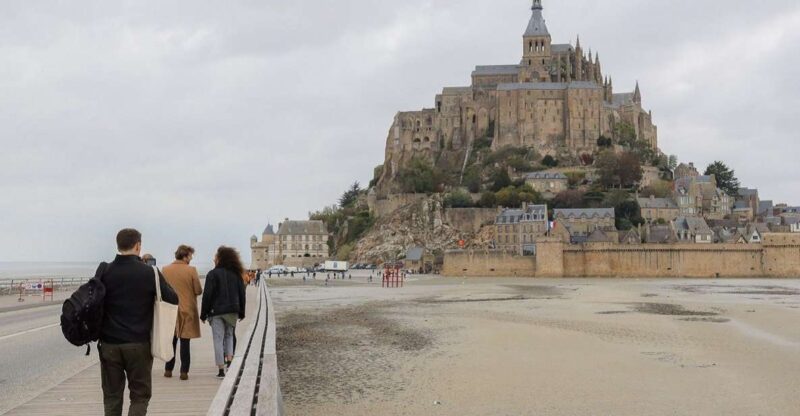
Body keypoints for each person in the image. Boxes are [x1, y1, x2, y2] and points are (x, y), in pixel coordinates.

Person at [99, 228, 178, 416]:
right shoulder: (149, 272)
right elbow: (173, 299)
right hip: (138, 343)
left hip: (109, 344)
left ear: (118, 245)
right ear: (138, 246)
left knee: (112, 397)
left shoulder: (105, 270)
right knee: (139, 396)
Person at [201, 246, 247, 379]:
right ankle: (230, 362)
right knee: (229, 336)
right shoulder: (236, 274)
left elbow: (207, 296)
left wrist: (203, 314)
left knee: (218, 339)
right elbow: (241, 294)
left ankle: (221, 370)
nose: (213, 259)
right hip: (232, 310)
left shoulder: (212, 274)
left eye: (216, 256)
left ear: (221, 258)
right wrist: (242, 312)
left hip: (216, 312)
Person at [161, 245, 202, 381]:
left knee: (171, 341)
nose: (191, 258)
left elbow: (161, 290)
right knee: (185, 342)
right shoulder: (191, 270)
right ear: (185, 256)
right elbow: (198, 290)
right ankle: (184, 371)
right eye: (190, 256)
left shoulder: (165, 270)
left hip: (170, 309)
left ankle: (168, 369)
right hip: (187, 309)